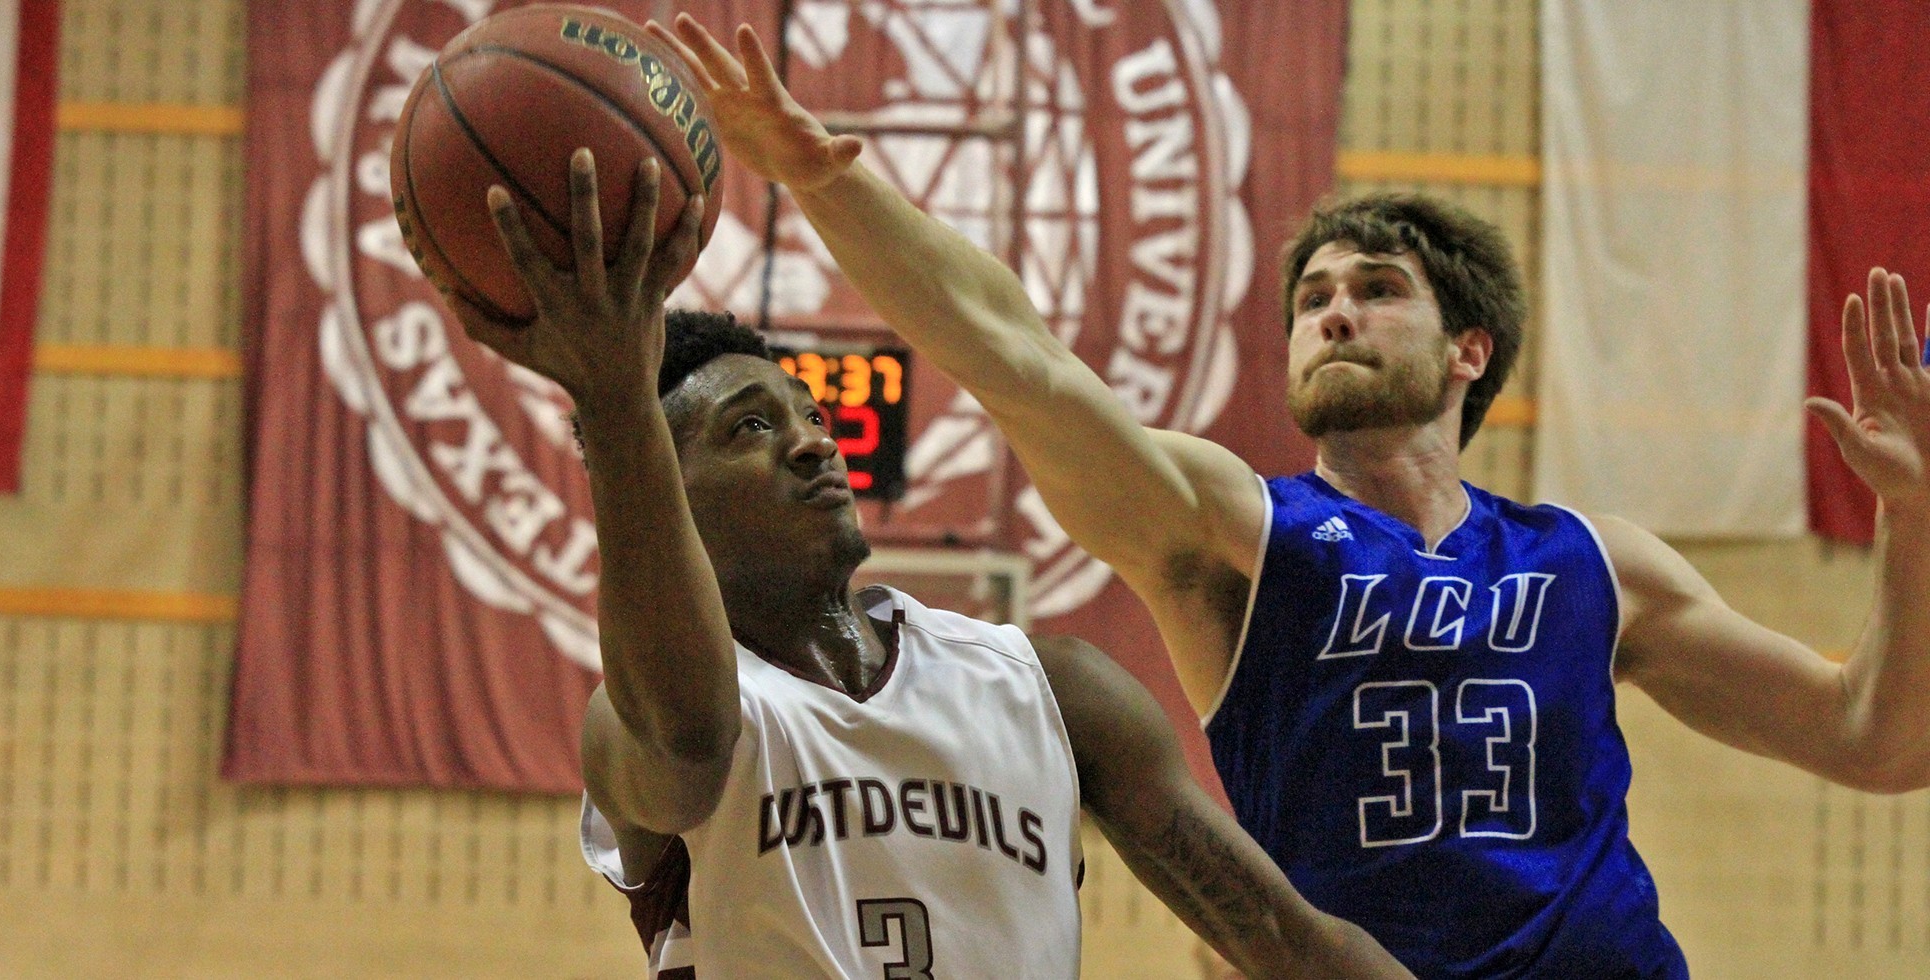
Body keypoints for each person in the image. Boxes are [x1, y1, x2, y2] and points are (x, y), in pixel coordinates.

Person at [652, 15, 1930, 979]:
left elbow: (1876, 734)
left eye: (1373, 286)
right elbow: (1018, 362)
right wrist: (828, 180)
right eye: (1311, 296)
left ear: (1468, 349)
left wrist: (1915, 512)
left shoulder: (1596, 564)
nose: (1330, 309)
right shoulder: (1237, 530)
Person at [430, 143, 1407, 978]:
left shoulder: (1049, 687)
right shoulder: (668, 718)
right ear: (663, 486)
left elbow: (1287, 938)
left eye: (811, 416)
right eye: (749, 427)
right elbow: (683, 744)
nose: (813, 442)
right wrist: (612, 396)